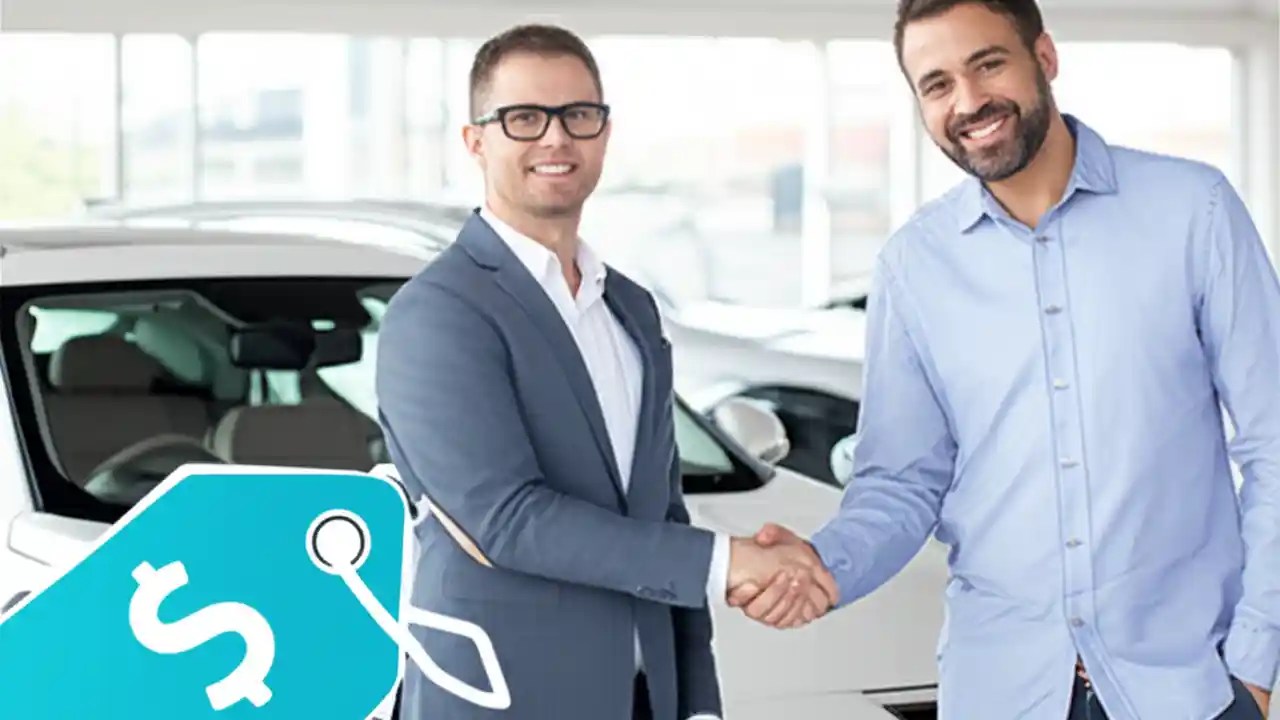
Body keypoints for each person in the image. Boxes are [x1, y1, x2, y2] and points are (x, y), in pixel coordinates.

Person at [729, 1, 1280, 718]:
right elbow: (901, 481)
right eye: (936, 84)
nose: (968, 101)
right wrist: (823, 570)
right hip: (1003, 692)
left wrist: (1256, 657)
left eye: (988, 63)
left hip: (1188, 689)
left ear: (1043, 58)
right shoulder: (914, 266)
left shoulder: (1193, 210)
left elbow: (1273, 440)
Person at [374, 24, 837, 720]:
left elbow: (662, 513)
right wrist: (727, 562)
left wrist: (698, 704)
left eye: (577, 116)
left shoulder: (629, 306)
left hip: (643, 698)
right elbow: (508, 518)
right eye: (523, 118)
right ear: (476, 141)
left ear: (604, 132)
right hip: (499, 695)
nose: (555, 139)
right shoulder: (438, 311)